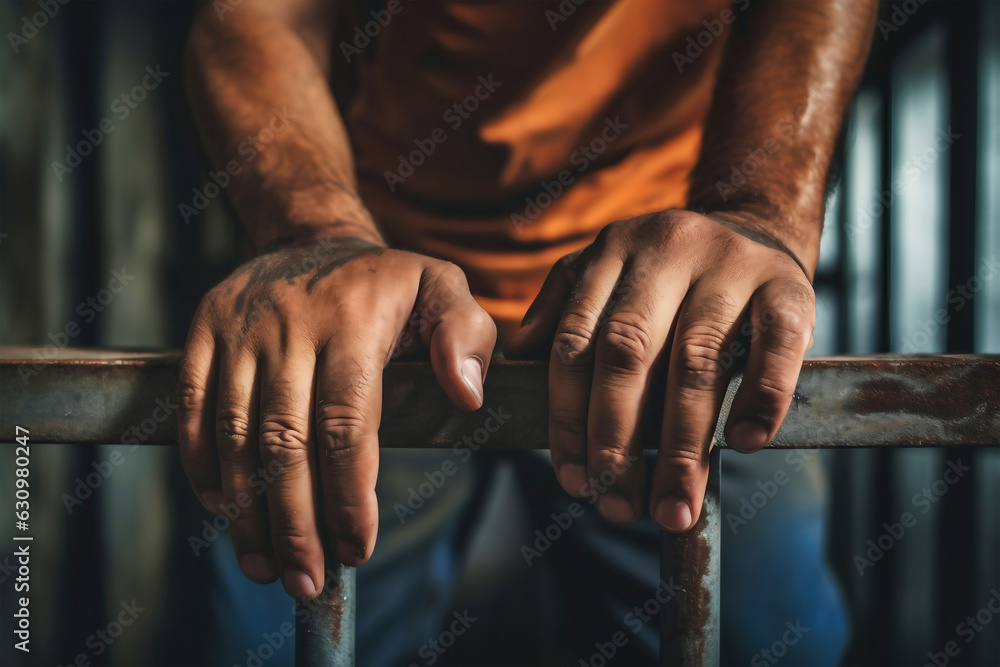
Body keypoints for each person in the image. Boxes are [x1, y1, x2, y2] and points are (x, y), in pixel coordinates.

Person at [174, 0, 875, 663]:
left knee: (764, 645)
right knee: (264, 648)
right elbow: (259, 15)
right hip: (379, 310)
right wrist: (318, 237)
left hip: (670, 305)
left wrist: (757, 217)